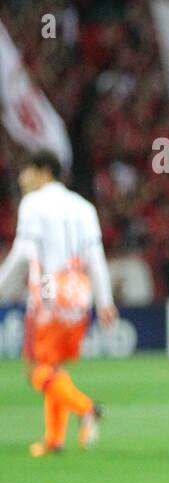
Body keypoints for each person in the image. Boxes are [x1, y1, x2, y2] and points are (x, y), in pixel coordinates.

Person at [0, 151, 115, 456]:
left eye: (26, 171)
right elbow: (96, 258)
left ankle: (85, 407)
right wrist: (104, 300)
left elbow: (24, 253)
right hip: (78, 291)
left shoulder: (34, 204)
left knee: (35, 368)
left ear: (43, 171)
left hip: (49, 288)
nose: (22, 179)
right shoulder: (84, 207)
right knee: (54, 369)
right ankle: (54, 438)